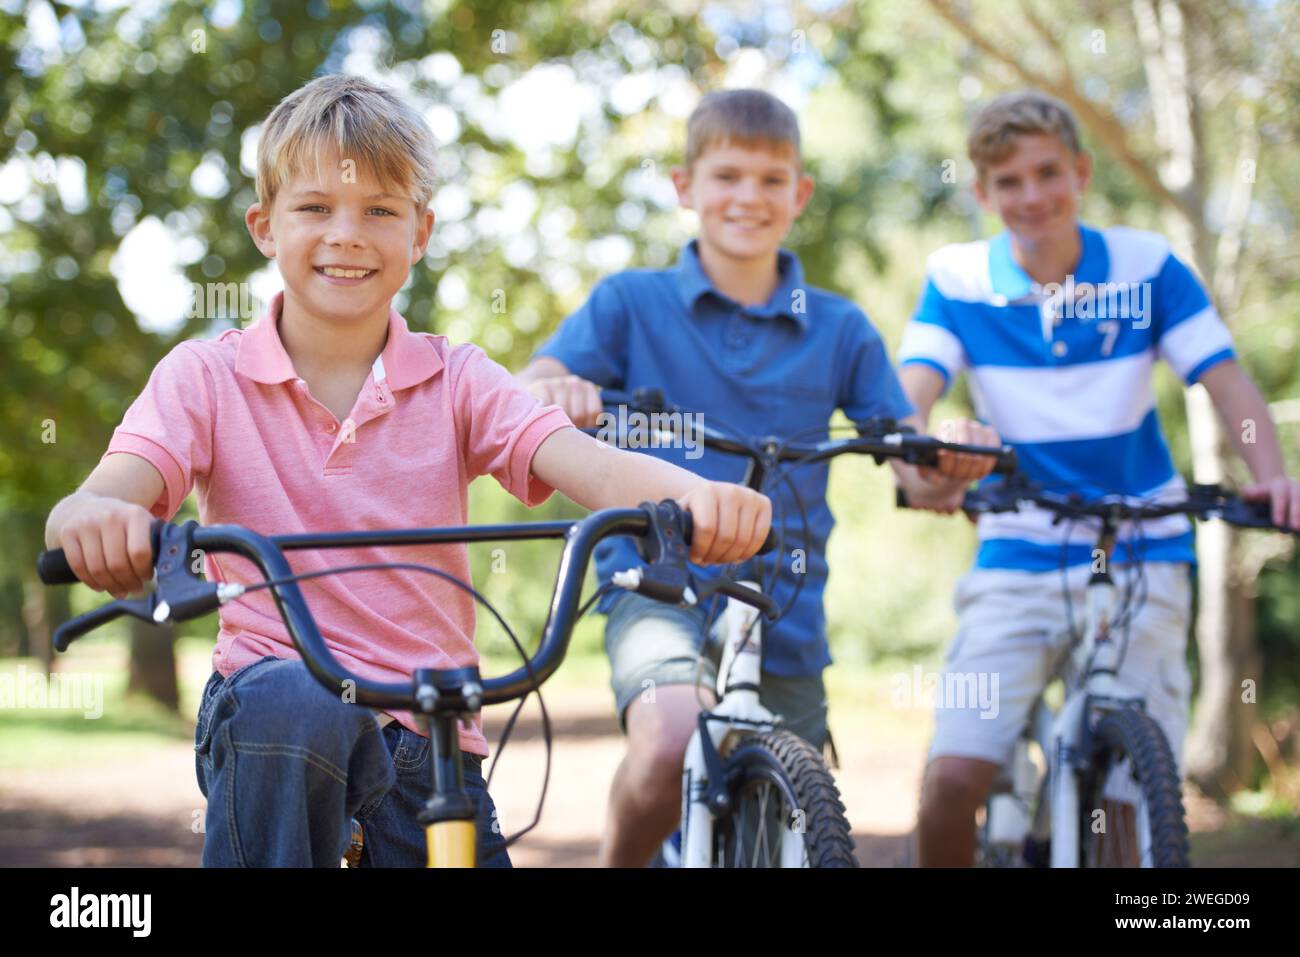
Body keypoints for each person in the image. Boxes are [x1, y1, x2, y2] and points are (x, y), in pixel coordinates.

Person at [42, 74, 774, 868]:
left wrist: (699, 498)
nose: (347, 235)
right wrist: (93, 518)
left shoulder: (458, 379)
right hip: (279, 724)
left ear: (420, 233)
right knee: (295, 701)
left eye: (380, 211)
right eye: (315, 208)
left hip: (431, 738)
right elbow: (103, 493)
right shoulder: (203, 379)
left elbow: (589, 467)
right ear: (264, 226)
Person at [515, 88, 998, 867]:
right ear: (685, 188)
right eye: (727, 175)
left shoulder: (838, 326)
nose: (749, 196)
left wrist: (950, 452)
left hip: (786, 595)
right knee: (670, 738)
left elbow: (911, 462)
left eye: (772, 179)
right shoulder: (629, 304)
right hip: (657, 574)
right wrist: (554, 387)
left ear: (800, 194)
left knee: (790, 821)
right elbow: (535, 380)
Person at [897, 89, 1300, 867]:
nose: (1033, 195)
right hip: (1018, 547)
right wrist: (932, 455)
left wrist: (1274, 474)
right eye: (1008, 182)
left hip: (1143, 544)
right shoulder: (956, 280)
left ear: (1080, 171)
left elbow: (1225, 384)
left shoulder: (1147, 267)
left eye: (1049, 172)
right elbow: (905, 402)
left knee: (1126, 796)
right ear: (982, 193)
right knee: (953, 777)